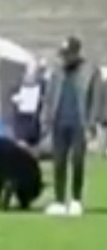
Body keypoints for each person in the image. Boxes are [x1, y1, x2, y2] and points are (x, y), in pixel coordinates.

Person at [39, 36, 101, 216]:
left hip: (79, 123)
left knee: (77, 162)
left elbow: (96, 99)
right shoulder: (57, 71)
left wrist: (92, 123)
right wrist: (46, 118)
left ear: (76, 53)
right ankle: (59, 200)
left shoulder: (90, 71)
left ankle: (76, 199)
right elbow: (49, 96)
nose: (64, 59)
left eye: (68, 55)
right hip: (59, 122)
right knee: (58, 162)